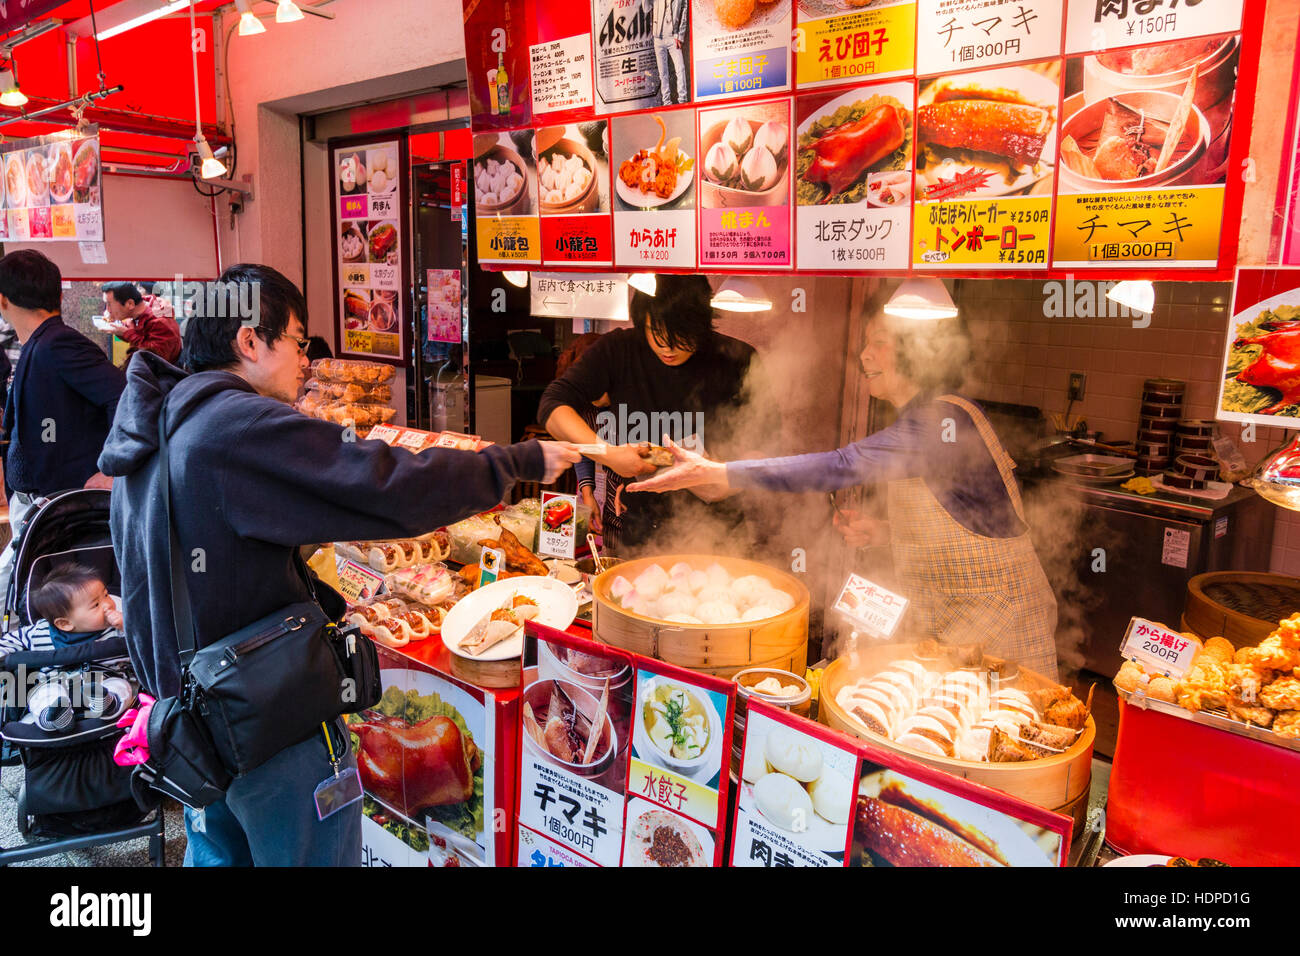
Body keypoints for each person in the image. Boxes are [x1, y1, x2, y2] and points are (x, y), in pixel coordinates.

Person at [99, 263, 578, 867]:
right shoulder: (240, 427)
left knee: (219, 856)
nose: (307, 360)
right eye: (299, 341)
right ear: (250, 340)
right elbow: (381, 482)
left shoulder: (159, 421)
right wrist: (513, 463)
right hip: (265, 718)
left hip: (189, 722)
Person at [629, 311, 1061, 679]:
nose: (864, 356)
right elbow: (966, 518)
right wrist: (887, 533)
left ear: (918, 349)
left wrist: (725, 473)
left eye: (878, 343)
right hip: (957, 621)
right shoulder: (924, 416)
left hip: (1002, 622)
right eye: (864, 343)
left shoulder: (941, 423)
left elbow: (841, 465)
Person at [537, 275, 758, 552]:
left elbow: (764, 450)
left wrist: (720, 479)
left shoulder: (737, 359)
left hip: (717, 537)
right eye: (657, 333)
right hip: (638, 534)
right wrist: (606, 453)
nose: (668, 348)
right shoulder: (618, 349)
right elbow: (553, 404)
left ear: (702, 325)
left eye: (682, 338)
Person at [0, 251, 125, 610]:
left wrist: (111, 468)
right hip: (42, 499)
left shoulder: (57, 343)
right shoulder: (41, 343)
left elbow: (122, 395)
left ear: (3, 299)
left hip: (65, 504)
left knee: (26, 593)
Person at [554, 333, 608, 534]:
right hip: (592, 484)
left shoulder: (629, 401)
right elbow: (583, 449)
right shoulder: (580, 404)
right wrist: (587, 493)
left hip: (624, 490)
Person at [28, 563, 124, 648]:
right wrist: (22, 669)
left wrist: (126, 626)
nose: (108, 604)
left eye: (106, 595)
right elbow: (16, 656)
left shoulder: (117, 629)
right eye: (96, 605)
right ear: (65, 624)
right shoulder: (38, 633)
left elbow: (138, 641)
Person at [102, 280, 182, 365]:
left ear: (130, 304)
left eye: (109, 304)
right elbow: (136, 335)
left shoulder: (159, 321)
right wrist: (117, 329)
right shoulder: (136, 313)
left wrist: (127, 333)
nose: (107, 309)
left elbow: (156, 357)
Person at [652, 0, 689, 105]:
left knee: (680, 69)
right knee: (663, 73)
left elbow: (684, 10)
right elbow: (646, 8)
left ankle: (683, 100)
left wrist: (680, 35)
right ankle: (666, 102)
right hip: (658, 37)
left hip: (673, 36)